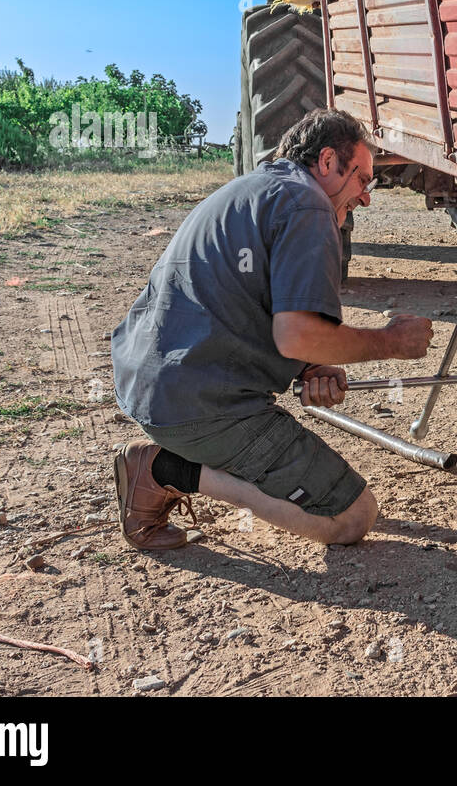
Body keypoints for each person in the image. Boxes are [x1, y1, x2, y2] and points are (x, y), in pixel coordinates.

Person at [110, 108, 433, 550]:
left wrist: (309, 367)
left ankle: (176, 455)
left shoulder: (256, 189)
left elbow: (249, 302)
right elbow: (296, 334)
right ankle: (162, 470)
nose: (366, 197)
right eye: (362, 179)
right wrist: (390, 343)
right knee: (353, 516)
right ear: (326, 162)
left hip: (147, 382)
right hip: (195, 403)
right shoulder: (309, 204)